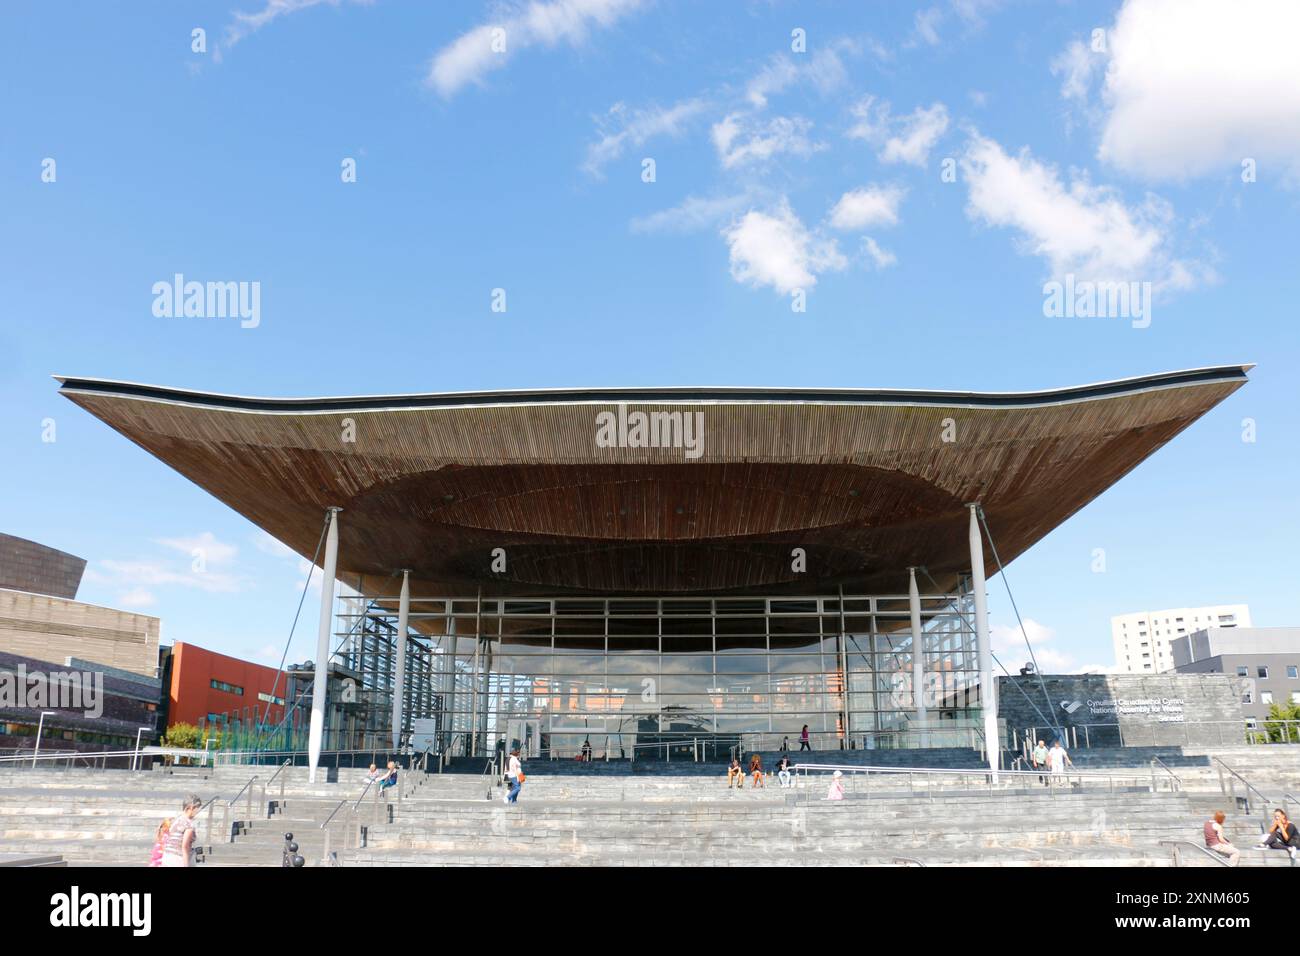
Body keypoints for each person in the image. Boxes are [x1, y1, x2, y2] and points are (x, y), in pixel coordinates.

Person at [160, 794, 202, 868]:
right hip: (178, 859)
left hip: (166, 857)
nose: (198, 811)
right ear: (191, 808)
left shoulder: (175, 819)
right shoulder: (188, 824)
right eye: (197, 808)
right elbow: (185, 847)